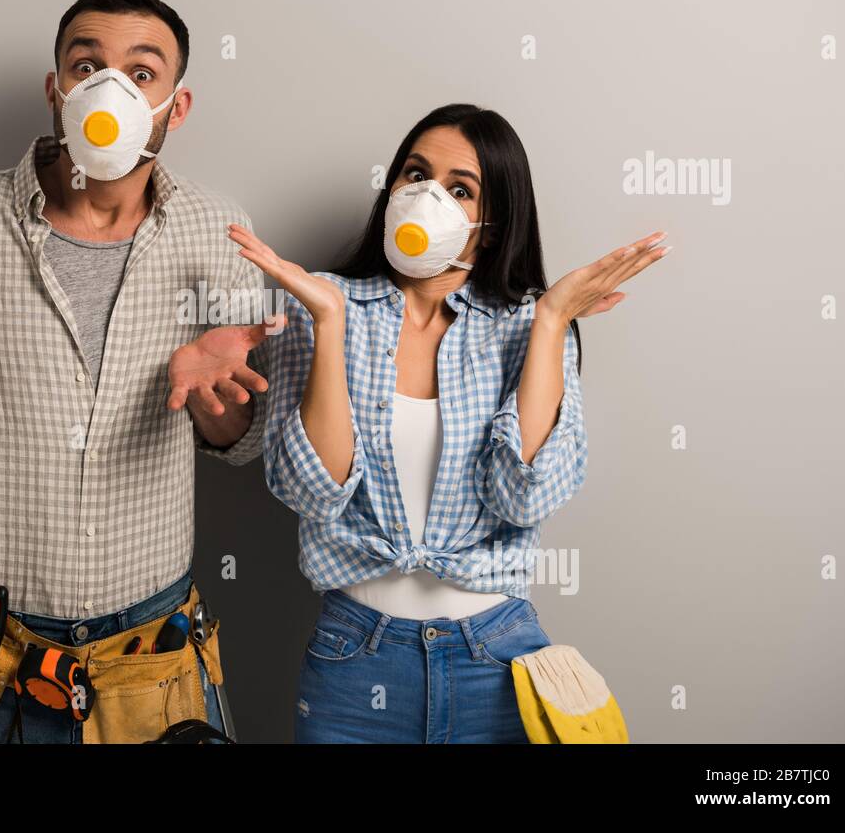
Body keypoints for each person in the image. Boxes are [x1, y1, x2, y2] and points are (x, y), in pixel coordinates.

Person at [0, 0, 275, 743]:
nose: (111, 88)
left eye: (141, 73)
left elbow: (241, 441)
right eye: (86, 64)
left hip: (149, 657)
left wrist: (211, 396)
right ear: (56, 89)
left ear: (177, 104)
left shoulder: (214, 231)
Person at [232, 103, 669, 743]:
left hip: (499, 659)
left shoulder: (531, 325)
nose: (426, 197)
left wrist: (550, 321)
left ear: (489, 229)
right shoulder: (318, 300)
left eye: (459, 189)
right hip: (356, 659)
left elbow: (525, 496)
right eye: (415, 175)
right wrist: (328, 325)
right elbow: (311, 492)